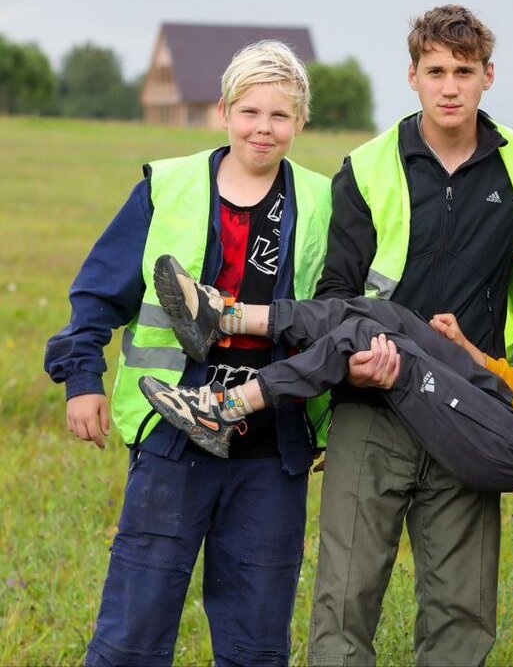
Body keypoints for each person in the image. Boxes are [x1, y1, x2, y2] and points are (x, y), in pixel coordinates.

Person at [139, 258, 513, 664]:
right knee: (382, 313)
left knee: (366, 341)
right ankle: (228, 318)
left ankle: (228, 409)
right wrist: (467, 354)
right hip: (509, 410)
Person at [43, 40, 331, 666]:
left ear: (300, 122)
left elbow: (335, 318)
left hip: (270, 447)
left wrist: (333, 422)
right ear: (224, 111)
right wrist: (82, 378)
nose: (264, 128)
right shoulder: (167, 186)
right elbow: (98, 290)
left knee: (257, 642)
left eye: (280, 115)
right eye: (251, 111)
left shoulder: (322, 201)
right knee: (133, 634)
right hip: (171, 437)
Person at [308, 4, 513, 666]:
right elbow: (333, 295)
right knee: (343, 603)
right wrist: (355, 367)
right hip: (374, 406)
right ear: (412, 77)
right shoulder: (367, 167)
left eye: (463, 71)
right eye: (435, 71)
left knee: (462, 613)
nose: (449, 86)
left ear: (488, 76)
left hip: (471, 409)